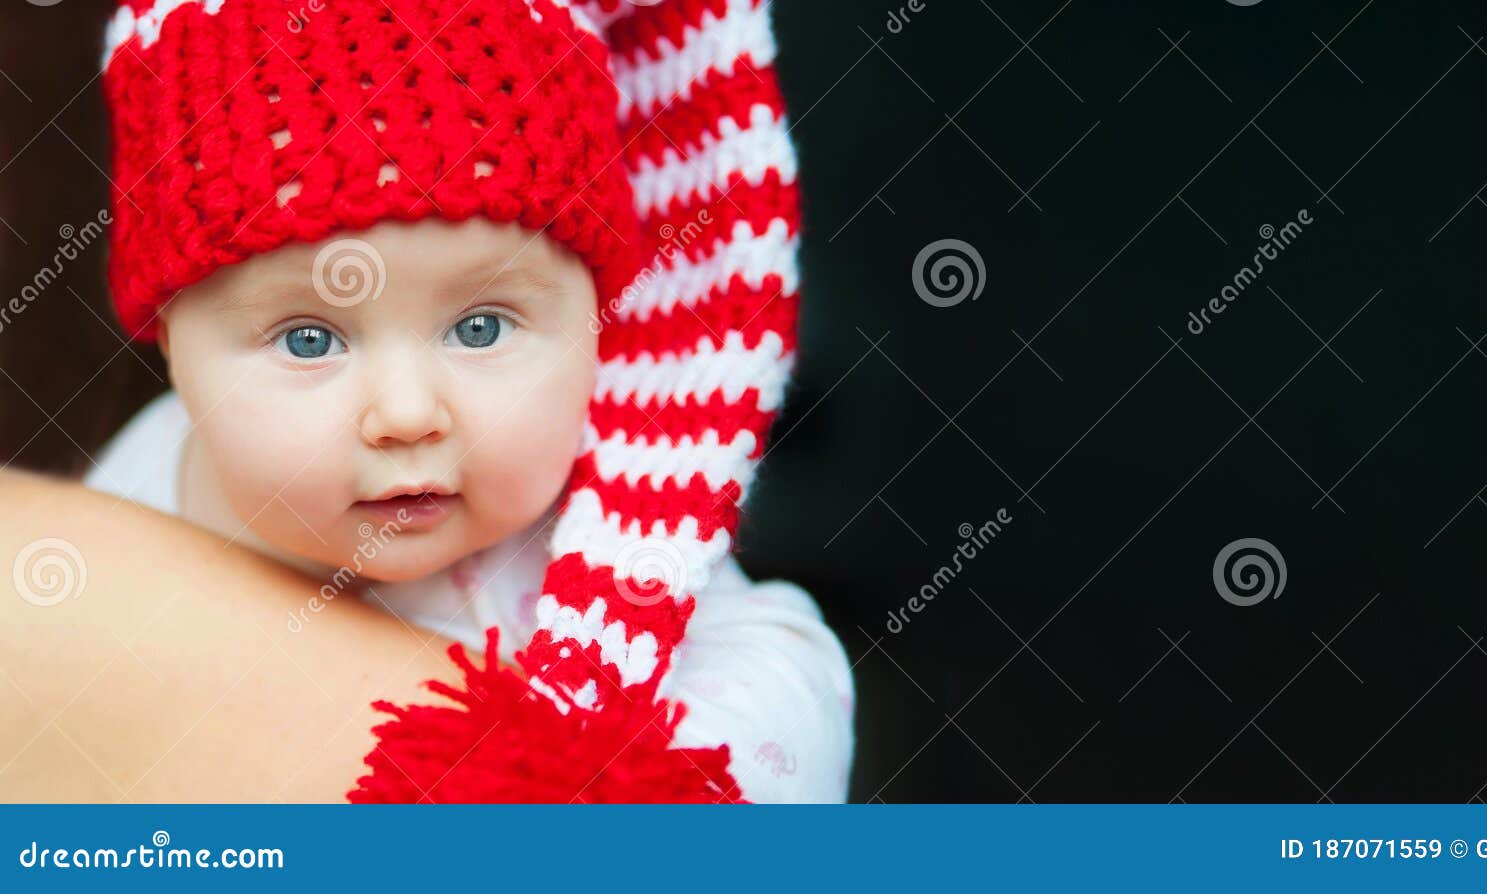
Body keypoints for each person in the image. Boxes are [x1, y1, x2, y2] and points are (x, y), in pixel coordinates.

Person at [2, 0, 851, 802]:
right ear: (172, 349)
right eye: (310, 339)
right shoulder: (131, 513)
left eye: (481, 328)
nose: (408, 415)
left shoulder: (608, 536)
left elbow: (788, 671)